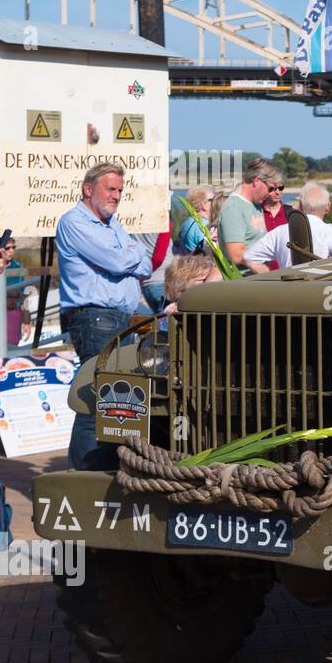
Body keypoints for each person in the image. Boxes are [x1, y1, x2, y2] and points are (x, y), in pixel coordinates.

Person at [55, 161, 153, 470]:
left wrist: (129, 258)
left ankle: (104, 471)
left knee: (115, 404)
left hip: (118, 319)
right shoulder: (74, 222)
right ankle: (82, 477)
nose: (116, 195)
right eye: (110, 189)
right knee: (96, 401)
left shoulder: (112, 224)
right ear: (88, 189)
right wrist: (128, 257)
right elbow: (118, 261)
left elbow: (146, 263)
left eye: (120, 190)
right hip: (95, 319)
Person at [244, 183, 332, 272]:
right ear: (328, 207)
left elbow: (248, 257)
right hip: (322, 290)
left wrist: (269, 274)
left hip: (288, 290)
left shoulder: (278, 232)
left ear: (300, 205)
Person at [218, 158, 279, 270]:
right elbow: (236, 255)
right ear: (256, 181)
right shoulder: (233, 208)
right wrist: (264, 270)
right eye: (270, 188)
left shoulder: (257, 204)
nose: (271, 193)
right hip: (244, 279)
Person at [176, 186, 215, 254]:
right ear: (203, 205)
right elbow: (211, 253)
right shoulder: (204, 226)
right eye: (213, 200)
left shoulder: (188, 222)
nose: (216, 202)